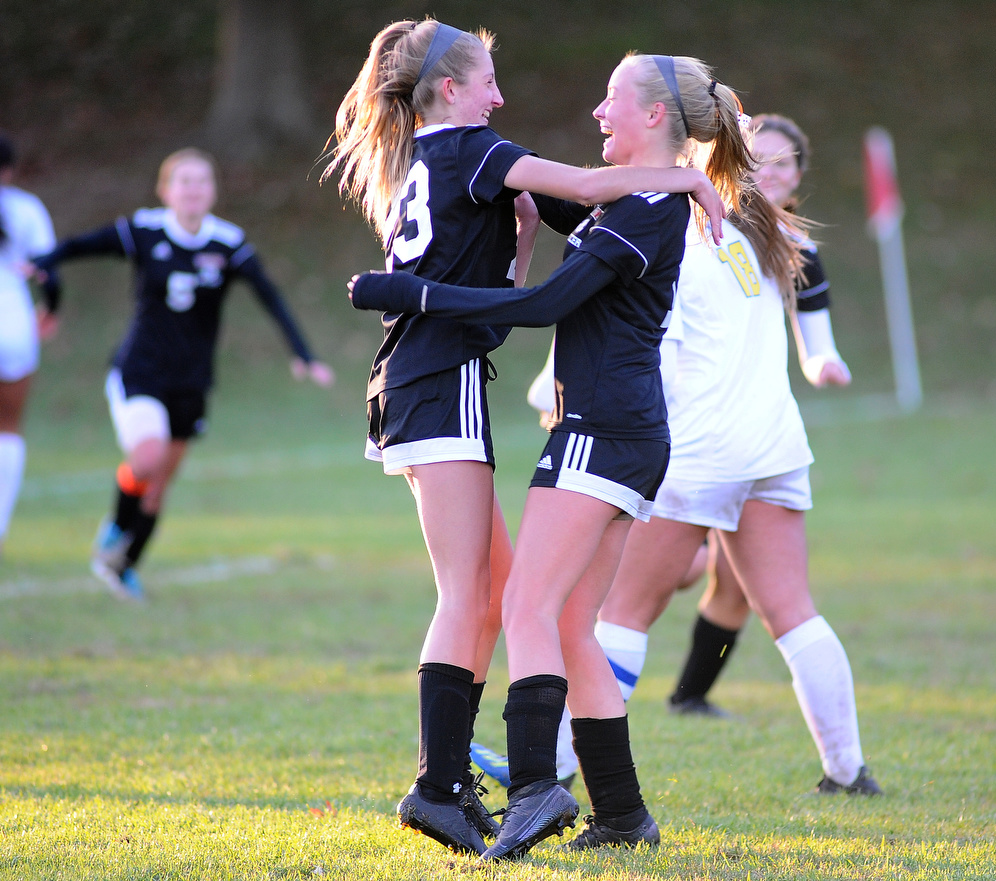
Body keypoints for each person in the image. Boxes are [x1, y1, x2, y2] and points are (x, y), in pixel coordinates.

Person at [324, 20, 723, 858]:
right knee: (522, 604)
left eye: (611, 96)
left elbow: (542, 296)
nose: (507, 97)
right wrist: (684, 181)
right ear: (449, 89)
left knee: (520, 602)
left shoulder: (621, 195)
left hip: (586, 423)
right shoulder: (537, 169)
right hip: (503, 403)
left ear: (653, 113)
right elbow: (575, 194)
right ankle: (570, 803)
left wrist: (686, 181)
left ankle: (520, 787)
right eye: (489, 80)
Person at [592, 112, 881, 796]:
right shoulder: (775, 235)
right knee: (792, 609)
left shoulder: (686, 228)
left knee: (623, 611)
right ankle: (848, 771)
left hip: (705, 446)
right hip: (776, 444)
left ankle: (553, 769)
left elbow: (649, 343)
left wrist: (564, 391)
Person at [32, 148, 333, 601]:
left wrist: (302, 354)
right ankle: (115, 526)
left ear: (213, 191)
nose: (192, 190)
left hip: (191, 381)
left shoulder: (226, 242)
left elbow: (269, 296)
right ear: (165, 190)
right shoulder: (145, 230)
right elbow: (82, 246)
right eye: (183, 181)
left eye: (201, 181)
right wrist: (44, 260)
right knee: (146, 461)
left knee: (158, 489)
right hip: (140, 371)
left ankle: (124, 568)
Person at [664, 112, 852, 718]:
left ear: (798, 176)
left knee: (735, 589)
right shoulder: (695, 230)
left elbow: (815, 343)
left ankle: (687, 695)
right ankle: (846, 769)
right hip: (734, 443)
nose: (769, 171)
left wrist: (823, 364)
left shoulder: (794, 249)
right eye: (759, 158)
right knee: (730, 587)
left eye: (783, 162)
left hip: (736, 441)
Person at [0, 134, 57, 559]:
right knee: (8, 428)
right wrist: (49, 309)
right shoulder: (24, 208)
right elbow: (48, 270)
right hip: (14, 323)